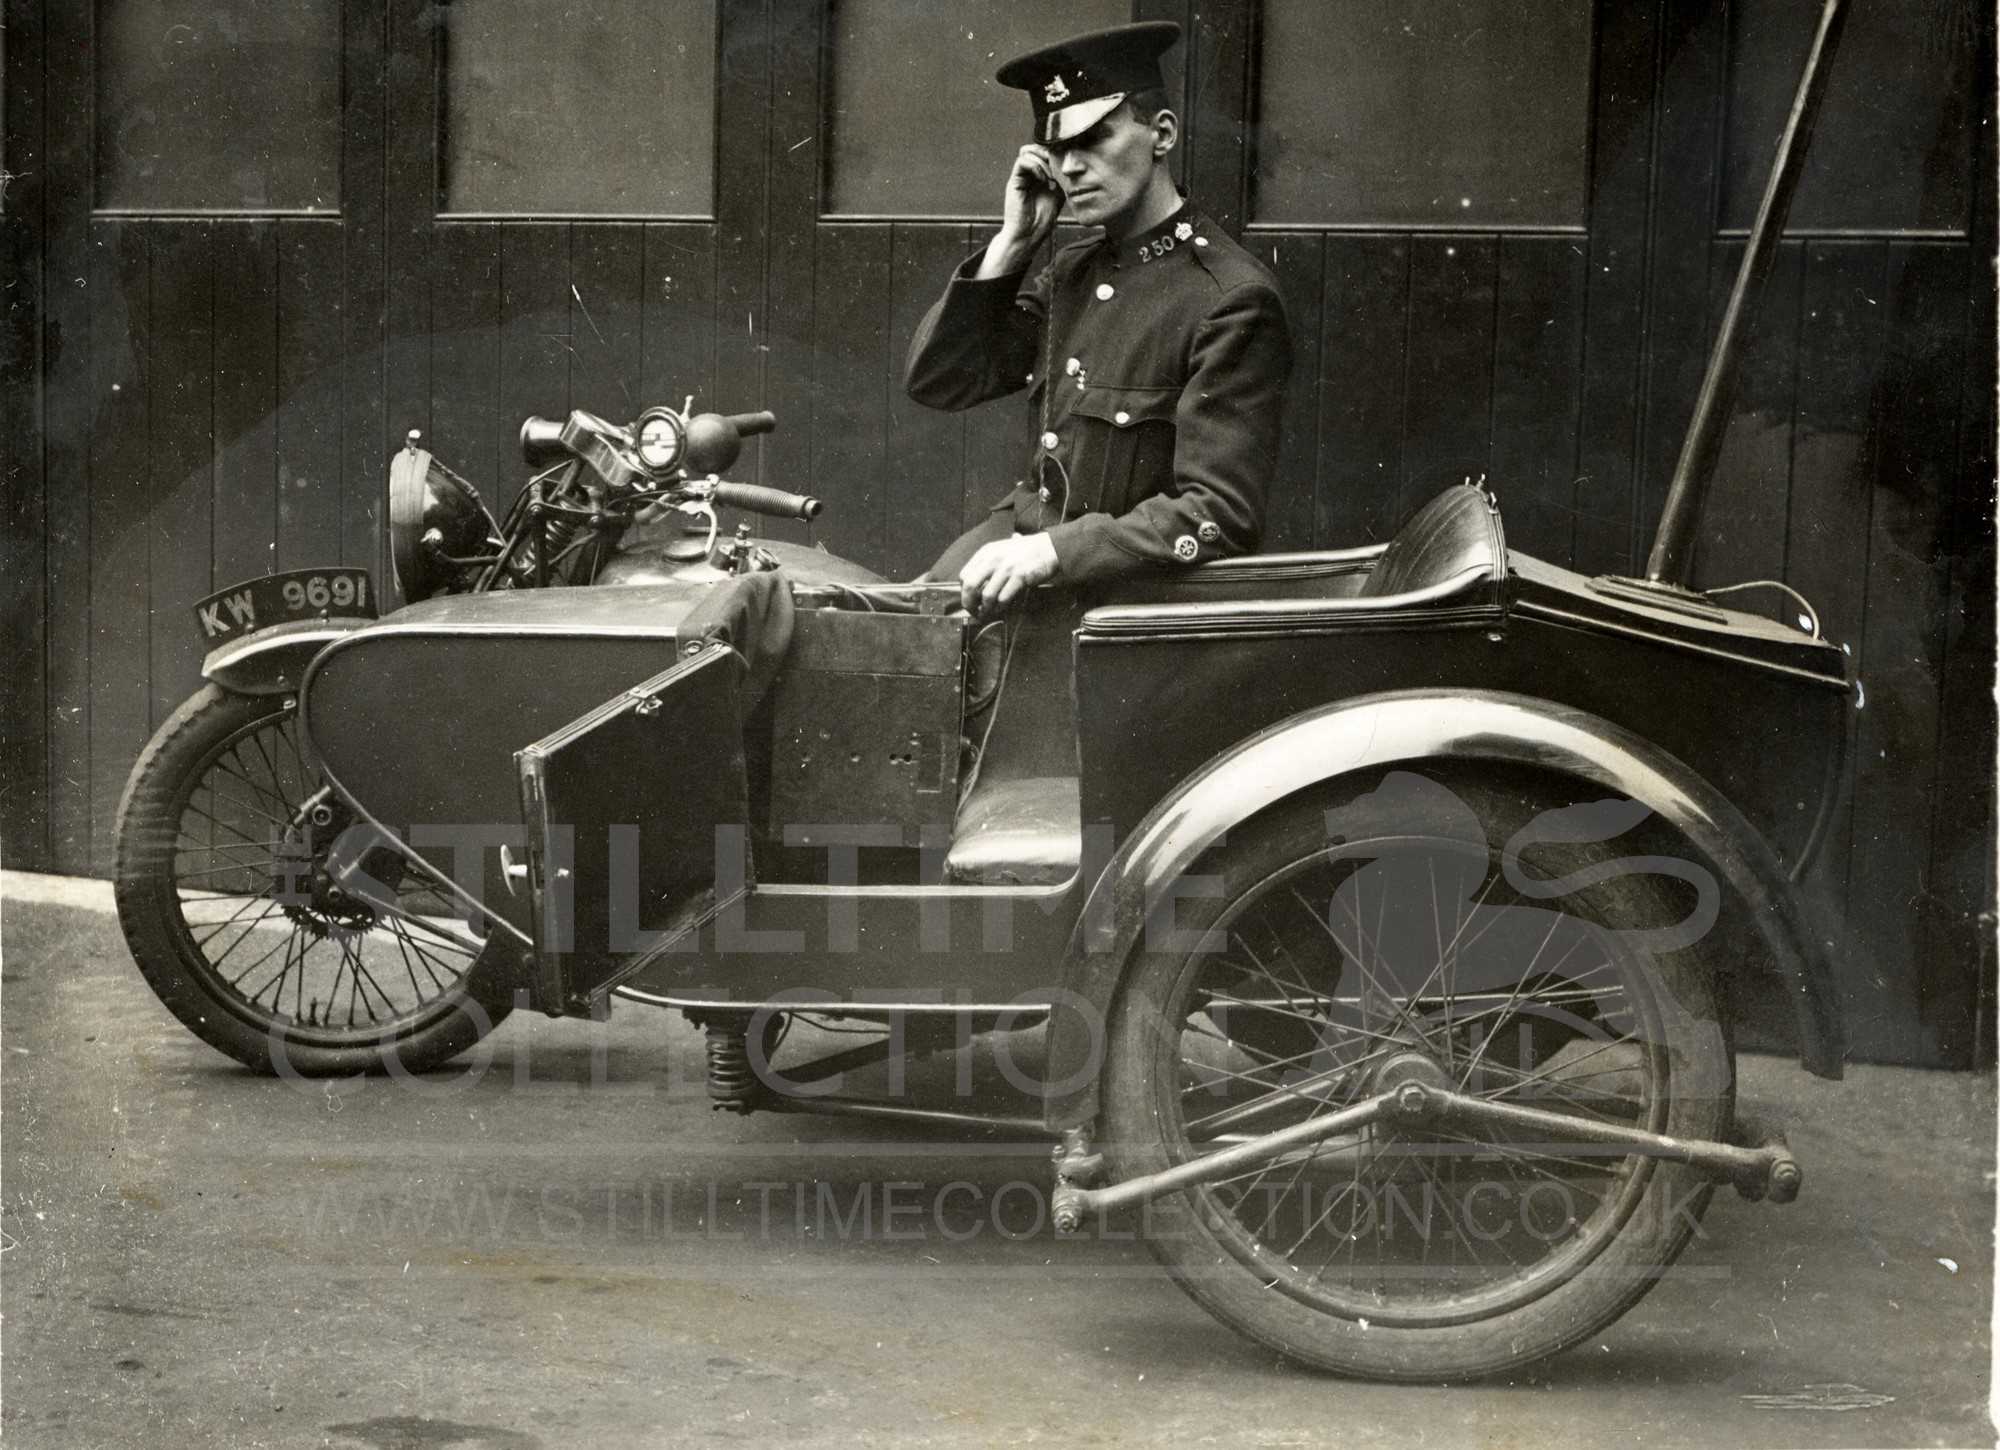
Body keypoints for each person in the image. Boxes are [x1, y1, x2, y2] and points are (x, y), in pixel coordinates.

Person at [905, 20, 1293, 616]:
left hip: (1117, 606)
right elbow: (942, 381)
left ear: (1161, 133)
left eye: (1094, 141)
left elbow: (1219, 513)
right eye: (1058, 150)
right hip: (1015, 561)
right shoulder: (1073, 271)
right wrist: (1015, 242)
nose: (1071, 168)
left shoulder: (1230, 298)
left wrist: (1053, 553)